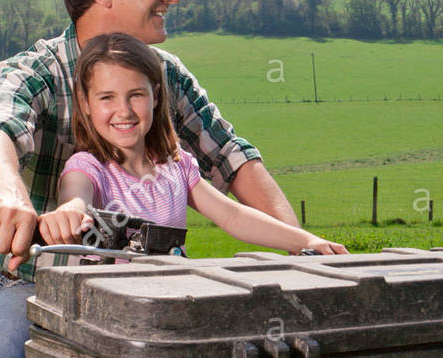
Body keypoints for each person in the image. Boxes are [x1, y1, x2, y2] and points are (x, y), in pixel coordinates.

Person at [0, 0, 304, 358]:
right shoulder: (38, 71)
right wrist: (5, 191)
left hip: (156, 287)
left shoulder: (166, 74)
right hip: (42, 284)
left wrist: (303, 251)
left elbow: (231, 158)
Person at [33, 33, 347, 262]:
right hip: (114, 314)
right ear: (86, 104)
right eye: (107, 98)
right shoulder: (88, 167)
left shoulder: (178, 165)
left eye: (136, 95)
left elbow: (233, 217)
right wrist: (69, 213)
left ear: (156, 95)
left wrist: (305, 239)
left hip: (175, 301)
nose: (124, 110)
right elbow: (74, 198)